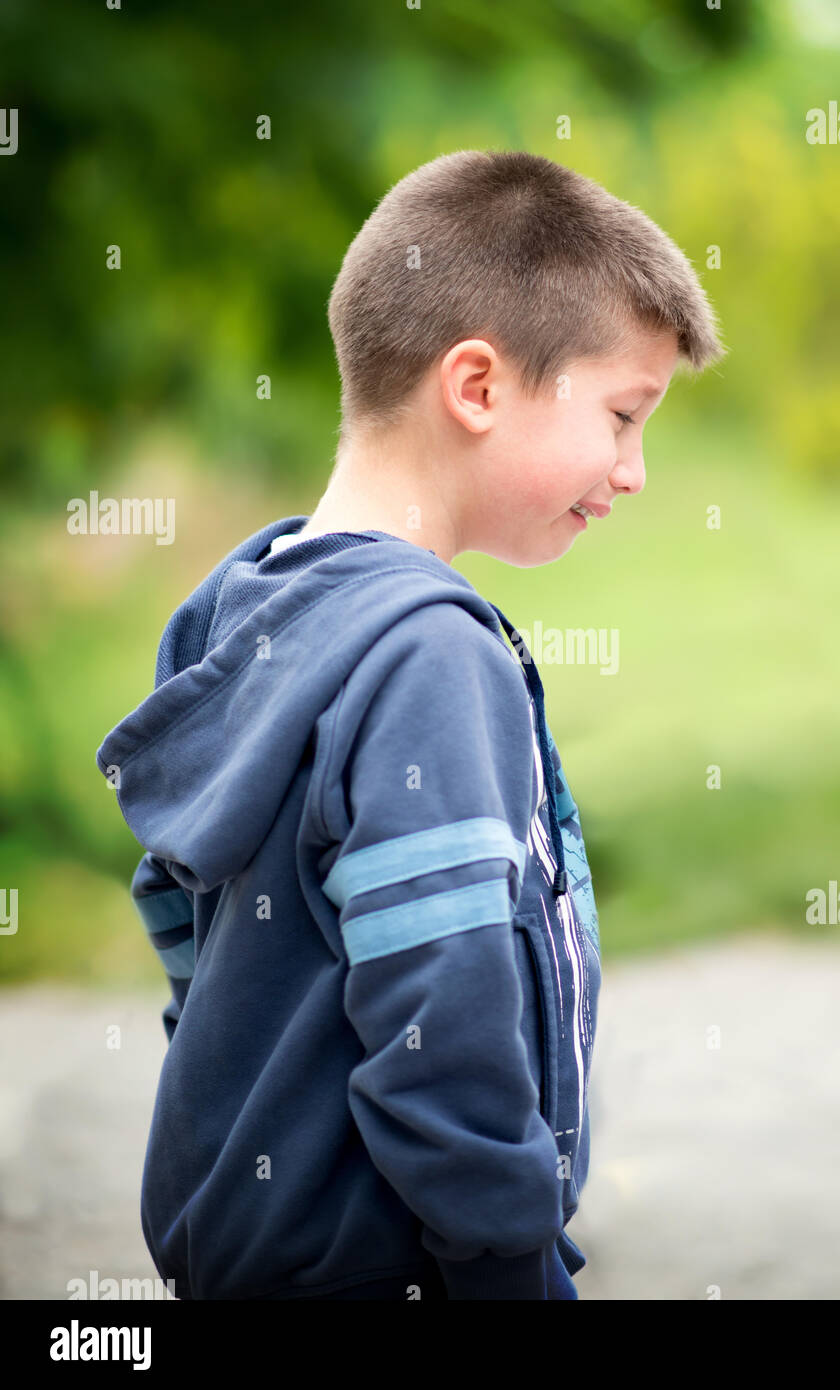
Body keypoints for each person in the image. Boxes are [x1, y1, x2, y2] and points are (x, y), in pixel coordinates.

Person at [96, 149, 725, 1300]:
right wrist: (508, 1264)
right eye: (623, 416)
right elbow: (446, 1024)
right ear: (476, 386)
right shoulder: (429, 654)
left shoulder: (239, 610)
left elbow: (180, 920)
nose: (634, 471)